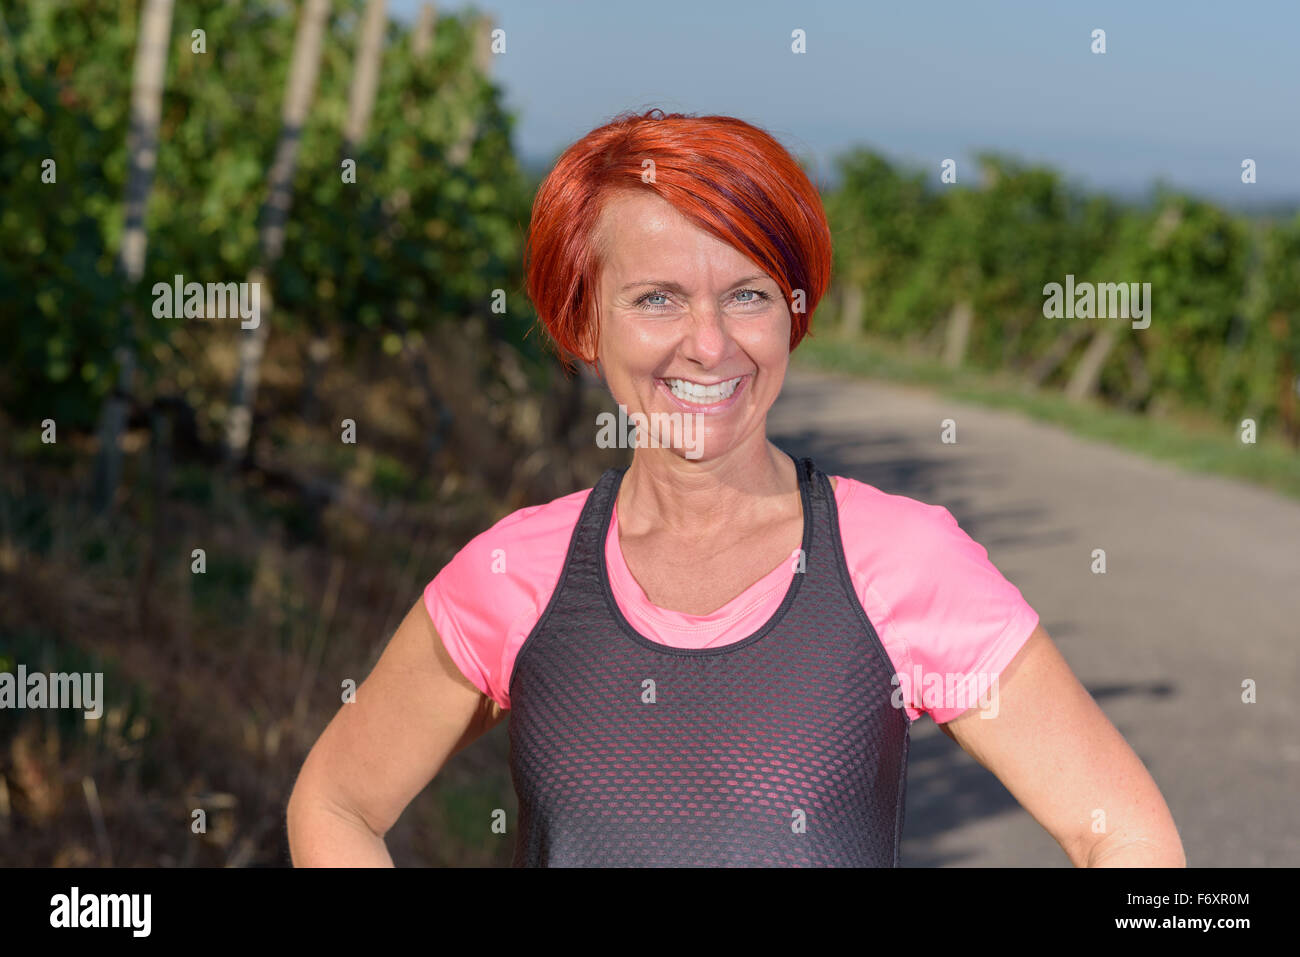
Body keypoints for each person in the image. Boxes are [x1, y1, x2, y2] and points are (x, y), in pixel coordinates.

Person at [286, 108, 1185, 867]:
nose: (710, 345)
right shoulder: (515, 574)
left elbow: (1127, 835)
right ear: (582, 319)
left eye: (749, 295)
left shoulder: (901, 562)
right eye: (657, 299)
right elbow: (335, 803)